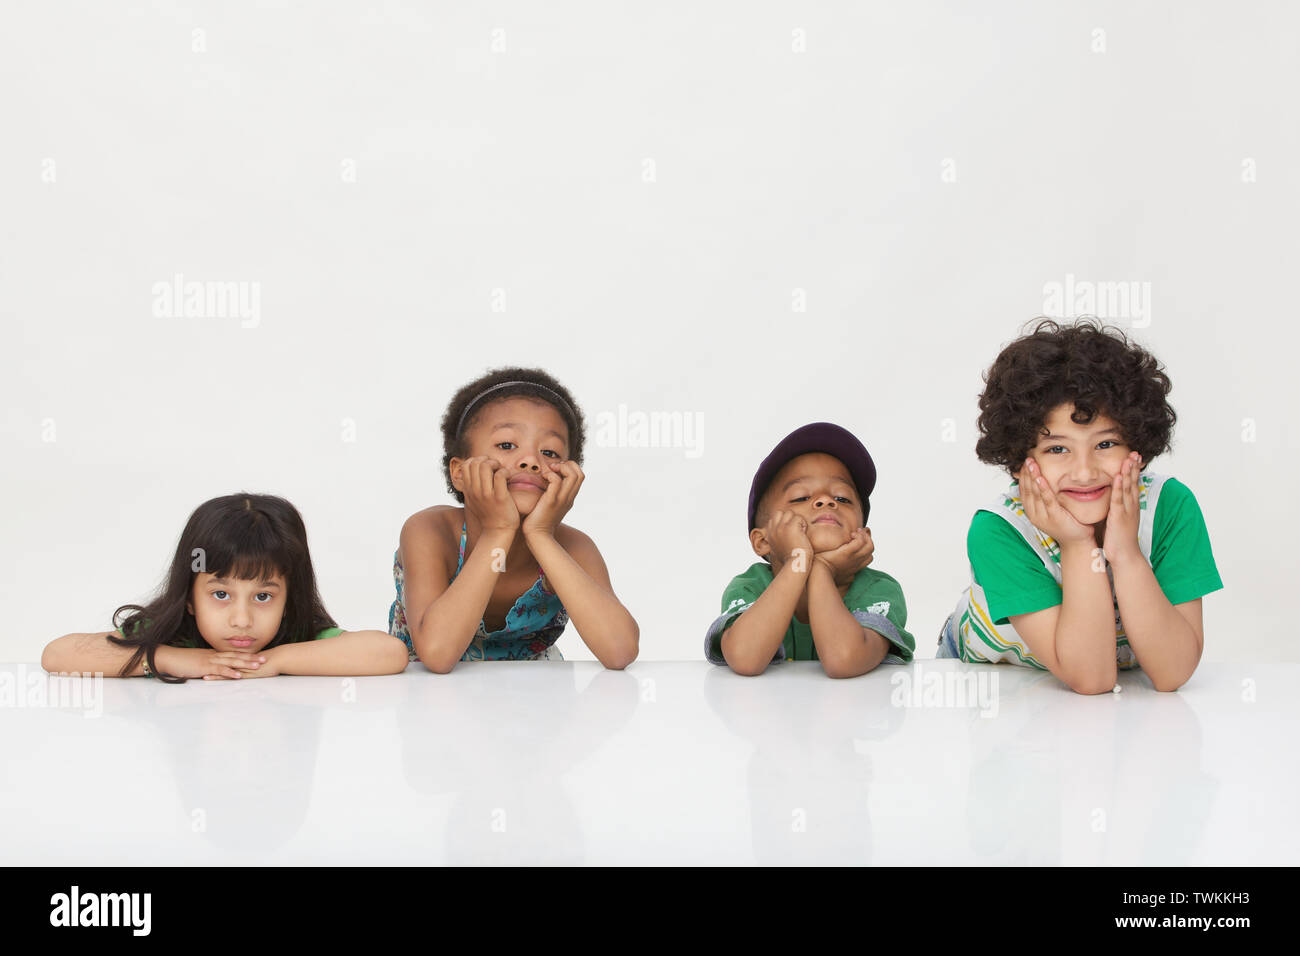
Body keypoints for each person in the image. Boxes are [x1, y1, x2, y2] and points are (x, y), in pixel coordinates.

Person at [939, 319, 1223, 693]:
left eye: (1106, 444)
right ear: (1021, 459)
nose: (1085, 472)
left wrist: (1125, 552)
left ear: (1137, 443)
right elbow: (1092, 680)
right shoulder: (999, 531)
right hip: (992, 685)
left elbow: (1172, 672)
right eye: (1057, 449)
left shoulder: (1170, 507)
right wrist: (1077, 545)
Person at [389, 367, 638, 671]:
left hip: (536, 704)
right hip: (433, 701)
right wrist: (499, 531)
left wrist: (541, 534)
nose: (531, 460)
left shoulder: (575, 547)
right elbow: (438, 654)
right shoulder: (430, 532)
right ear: (459, 472)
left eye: (550, 452)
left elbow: (619, 651)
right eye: (507, 445)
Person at [42, 493, 409, 681]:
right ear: (188, 597)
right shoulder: (174, 636)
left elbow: (390, 653)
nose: (242, 619)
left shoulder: (295, 639)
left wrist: (274, 662)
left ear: (288, 597)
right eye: (221, 594)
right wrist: (179, 660)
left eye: (263, 596)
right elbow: (57, 655)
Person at [704, 422, 915, 677]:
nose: (826, 500)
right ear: (763, 541)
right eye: (801, 497)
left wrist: (822, 570)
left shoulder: (879, 589)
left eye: (842, 498)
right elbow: (745, 658)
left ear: (863, 535)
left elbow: (843, 660)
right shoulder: (750, 586)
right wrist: (799, 561)